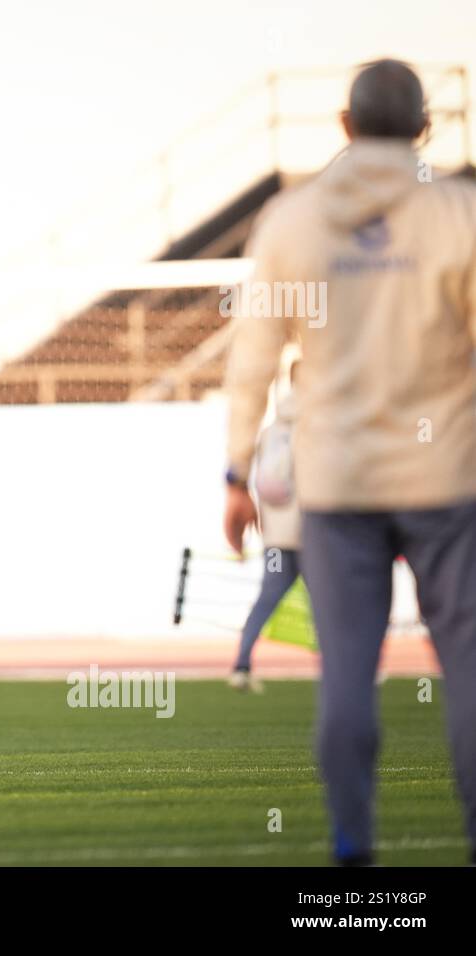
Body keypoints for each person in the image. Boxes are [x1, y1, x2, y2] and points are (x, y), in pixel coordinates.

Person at [224, 59, 476, 865]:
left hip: (339, 489)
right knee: (468, 667)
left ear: (344, 125)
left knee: (346, 673)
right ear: (425, 129)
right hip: (448, 482)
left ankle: (351, 853)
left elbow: (252, 362)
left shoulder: (292, 222)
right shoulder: (460, 214)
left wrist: (236, 474)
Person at [230, 367, 300, 692]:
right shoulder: (321, 423)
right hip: (314, 532)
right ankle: (353, 672)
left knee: (266, 598)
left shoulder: (271, 430)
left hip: (277, 535)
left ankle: (241, 664)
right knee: (331, 603)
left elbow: (259, 481)